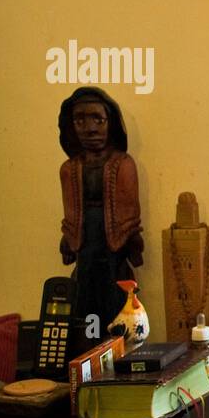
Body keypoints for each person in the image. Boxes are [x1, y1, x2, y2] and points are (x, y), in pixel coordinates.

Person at [58, 86, 144, 348]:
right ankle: (90, 348)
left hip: (112, 243)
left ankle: (116, 345)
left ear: (111, 123)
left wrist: (131, 238)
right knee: (84, 294)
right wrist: (68, 236)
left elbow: (129, 205)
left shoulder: (123, 164)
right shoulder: (70, 168)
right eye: (80, 120)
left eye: (98, 119)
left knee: (115, 292)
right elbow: (71, 208)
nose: (90, 128)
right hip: (85, 243)